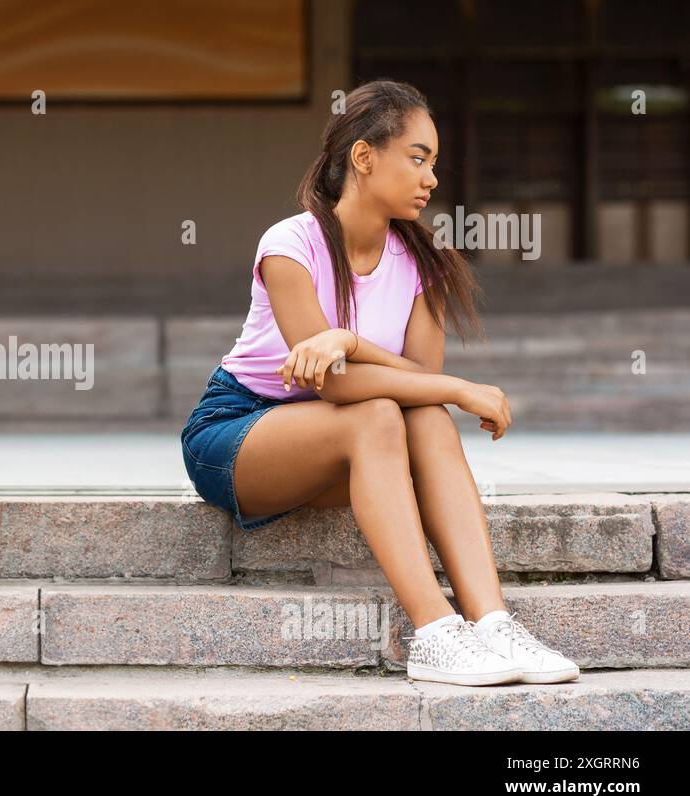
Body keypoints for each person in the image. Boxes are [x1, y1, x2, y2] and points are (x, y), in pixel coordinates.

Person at [180, 79, 578, 687]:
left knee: (422, 414)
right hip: (239, 432)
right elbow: (334, 386)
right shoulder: (291, 244)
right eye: (417, 158)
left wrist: (351, 342)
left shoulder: (424, 263)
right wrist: (447, 383)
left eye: (434, 163)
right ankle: (436, 634)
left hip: (348, 443)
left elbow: (420, 382)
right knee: (379, 413)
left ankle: (494, 624)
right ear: (364, 157)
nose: (432, 178)